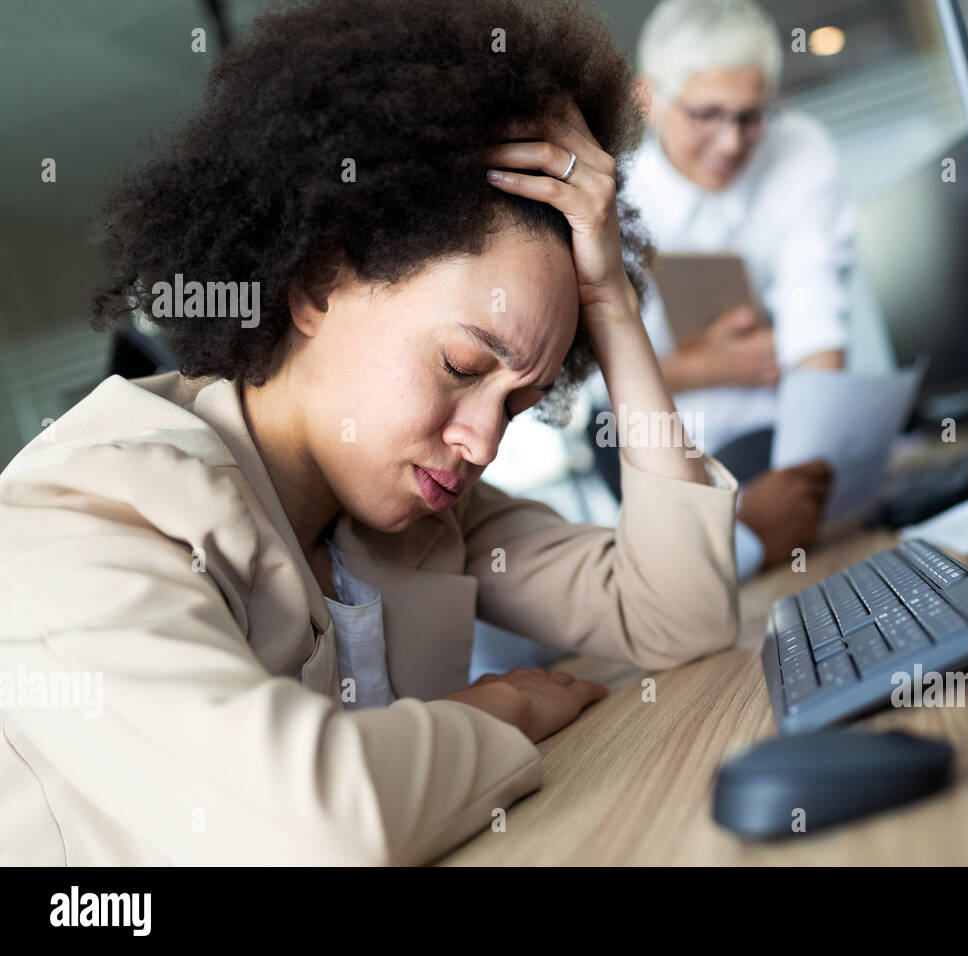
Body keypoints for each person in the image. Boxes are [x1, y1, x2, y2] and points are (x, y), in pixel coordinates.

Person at [0, 0, 741, 866]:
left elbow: (680, 615)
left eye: (517, 402)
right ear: (317, 283)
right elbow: (314, 826)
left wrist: (612, 299)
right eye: (465, 367)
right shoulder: (79, 521)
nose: (483, 441)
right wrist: (500, 714)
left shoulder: (418, 512)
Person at [588, 0, 851, 579]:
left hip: (771, 425)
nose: (731, 142)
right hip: (659, 439)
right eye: (706, 115)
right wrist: (713, 365)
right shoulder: (614, 196)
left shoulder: (799, 149)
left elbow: (818, 325)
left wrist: (813, 459)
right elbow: (595, 387)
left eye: (751, 116)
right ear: (648, 100)